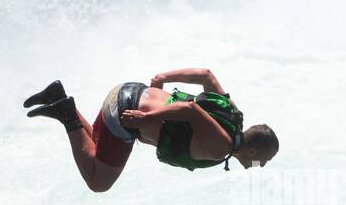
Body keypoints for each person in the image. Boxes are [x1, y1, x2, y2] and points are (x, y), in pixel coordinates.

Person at [24, 68, 278, 192]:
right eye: (264, 160)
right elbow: (190, 111)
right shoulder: (221, 145)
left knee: (96, 148)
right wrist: (146, 118)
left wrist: (162, 77)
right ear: (253, 149)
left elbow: (206, 75)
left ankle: (59, 98)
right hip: (127, 113)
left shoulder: (232, 114)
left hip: (133, 91)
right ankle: (66, 114)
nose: (262, 166)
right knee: (98, 182)